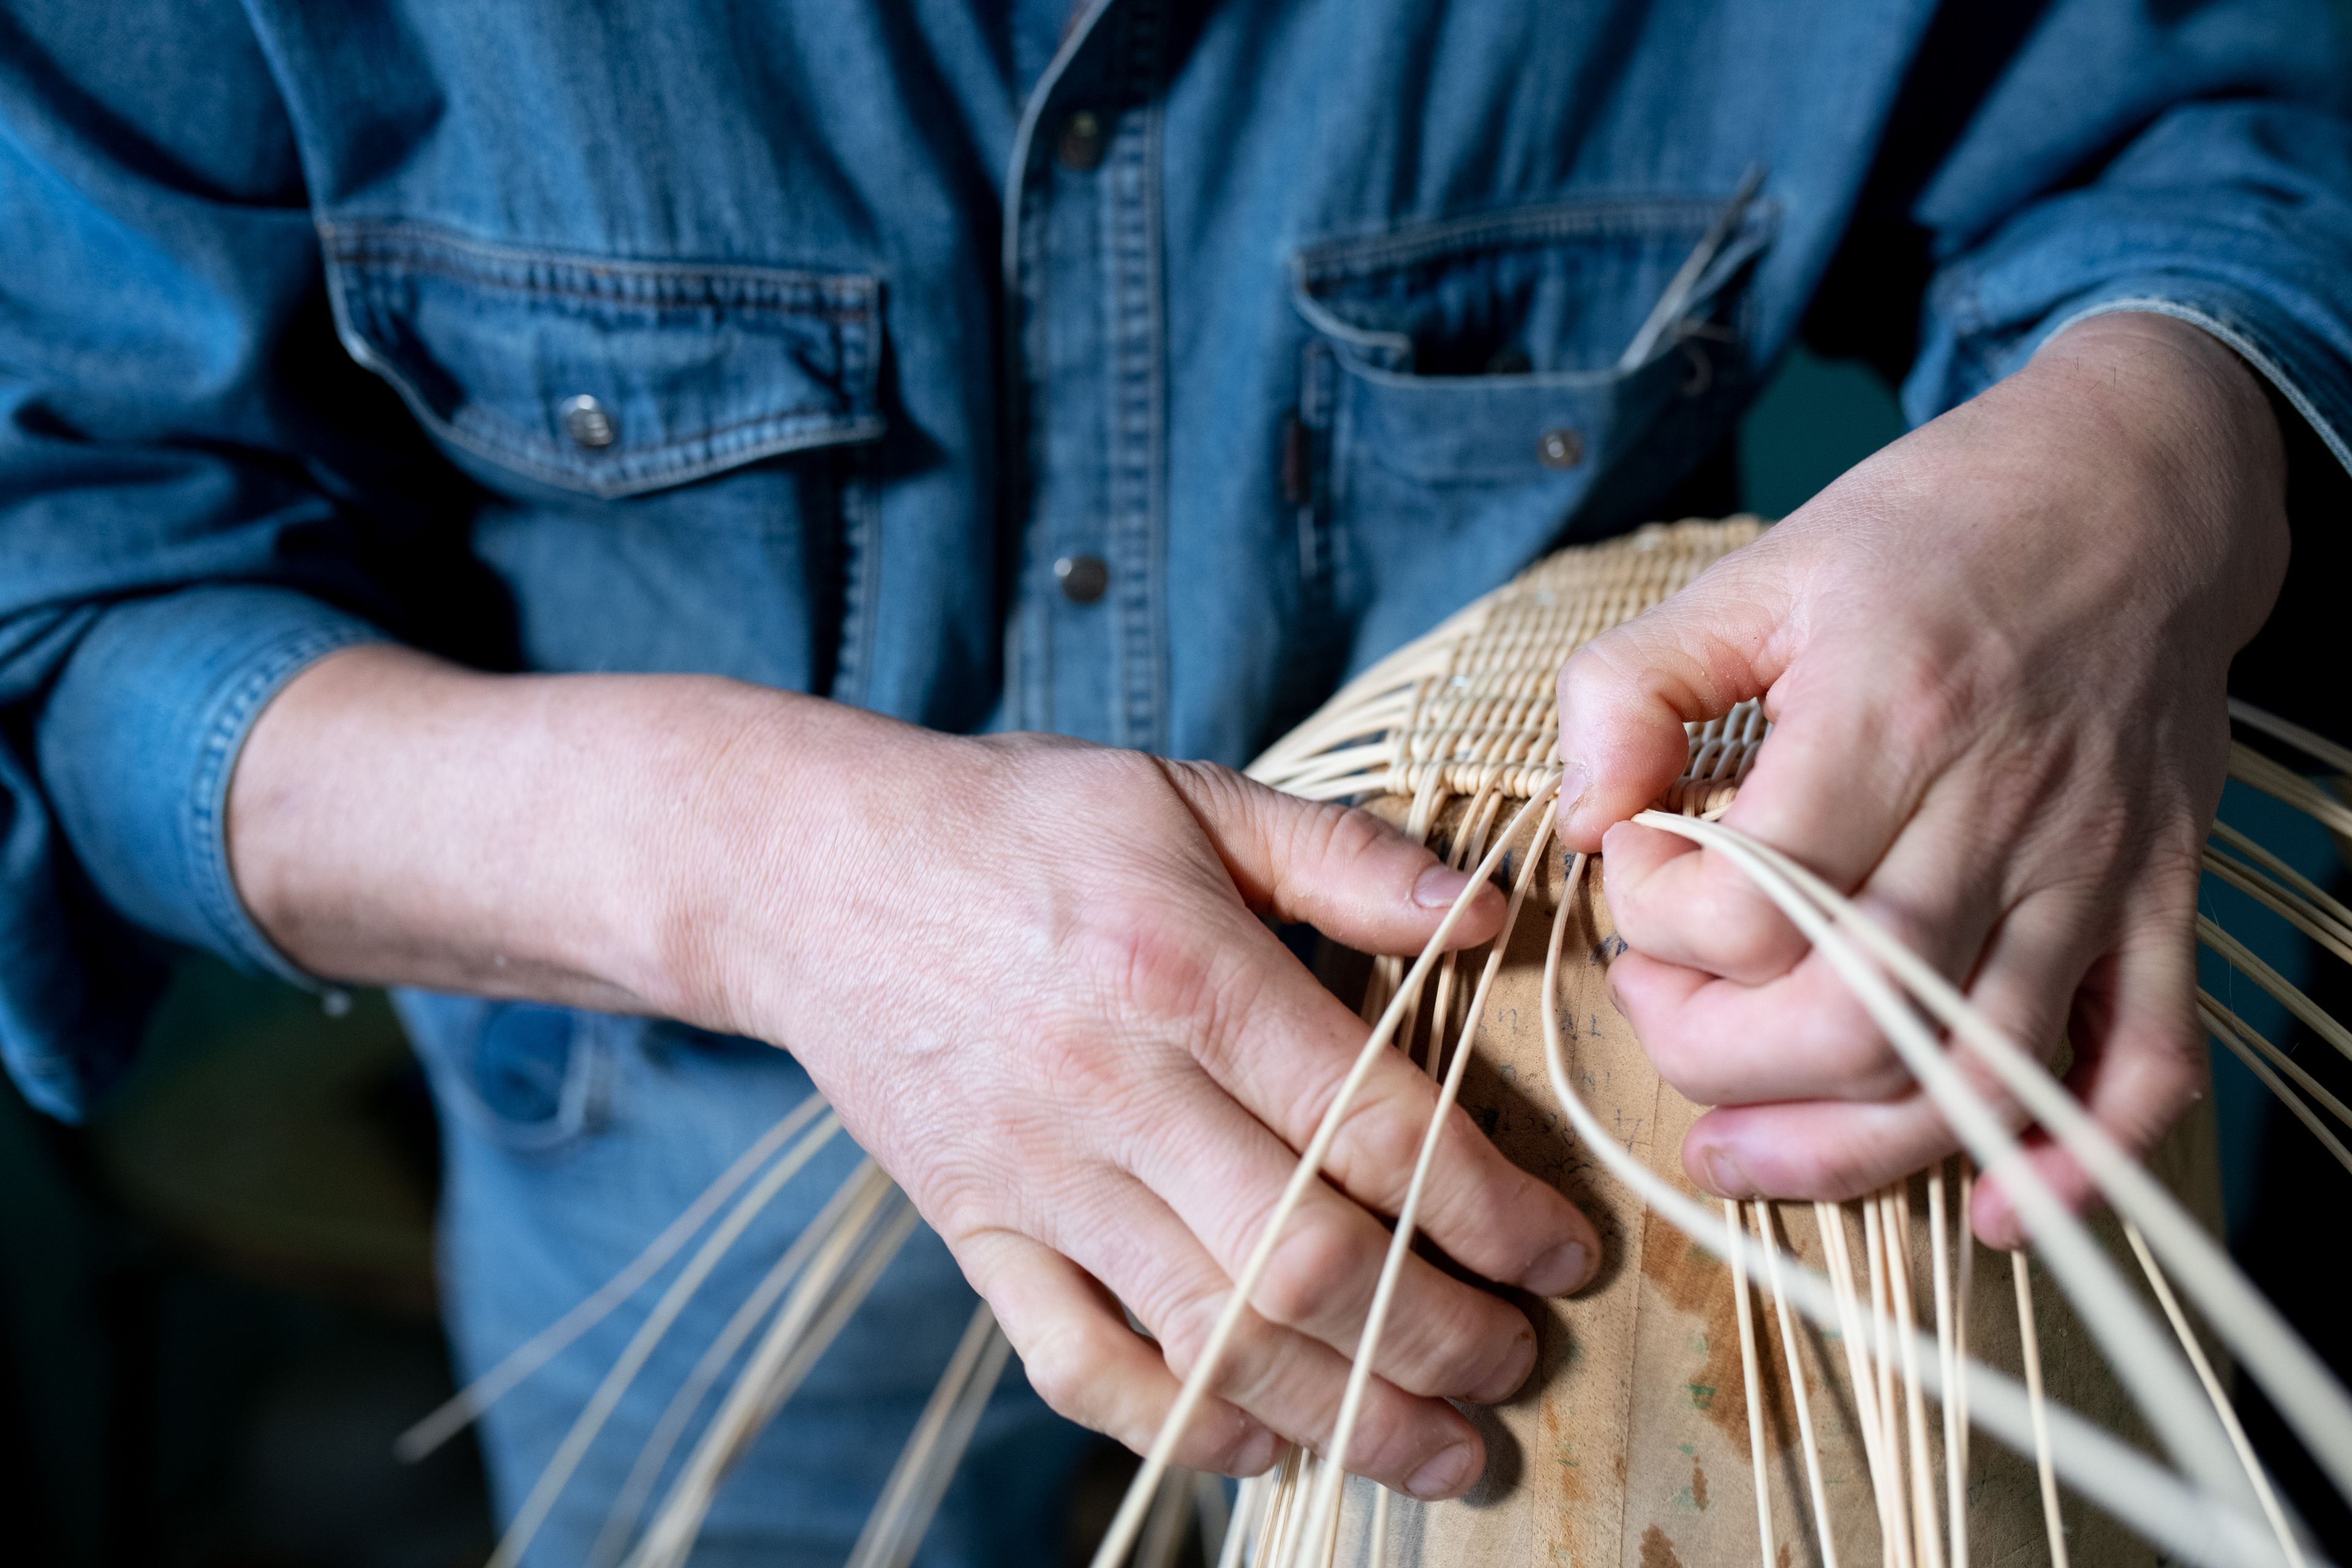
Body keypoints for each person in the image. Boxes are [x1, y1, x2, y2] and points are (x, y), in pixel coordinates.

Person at [4, 0, 2348, 1560]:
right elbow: (66, 599)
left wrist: (2153, 446)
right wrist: (757, 876)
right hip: (701, 1210)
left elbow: (2207, 117)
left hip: (1611, 1194)